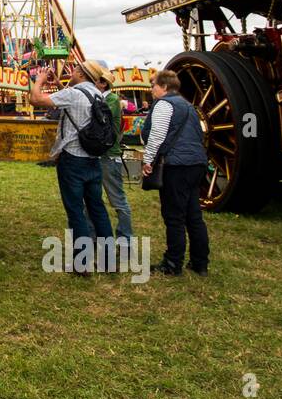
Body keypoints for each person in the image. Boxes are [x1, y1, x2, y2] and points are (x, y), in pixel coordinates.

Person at [30, 61, 115, 274]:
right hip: (92, 159)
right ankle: (108, 261)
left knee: (76, 211)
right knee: (98, 209)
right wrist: (60, 84)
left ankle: (82, 263)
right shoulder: (97, 94)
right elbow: (73, 101)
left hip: (73, 159)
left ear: (80, 73)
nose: (72, 72)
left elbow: (36, 99)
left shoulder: (73, 94)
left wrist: (39, 81)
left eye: (74, 70)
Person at [141, 69, 210, 276]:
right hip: (196, 162)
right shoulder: (189, 107)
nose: (152, 90)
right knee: (194, 216)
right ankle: (200, 263)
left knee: (174, 216)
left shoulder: (164, 104)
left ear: (163, 87)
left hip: (177, 166)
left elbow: (157, 135)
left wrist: (148, 160)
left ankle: (172, 263)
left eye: (154, 86)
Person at [93, 65, 133, 239]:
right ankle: (92, 236)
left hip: (109, 155)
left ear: (102, 84)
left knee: (117, 200)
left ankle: (125, 238)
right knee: (92, 199)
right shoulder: (102, 98)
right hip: (98, 155)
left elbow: (100, 118)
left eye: (94, 79)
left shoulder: (111, 100)